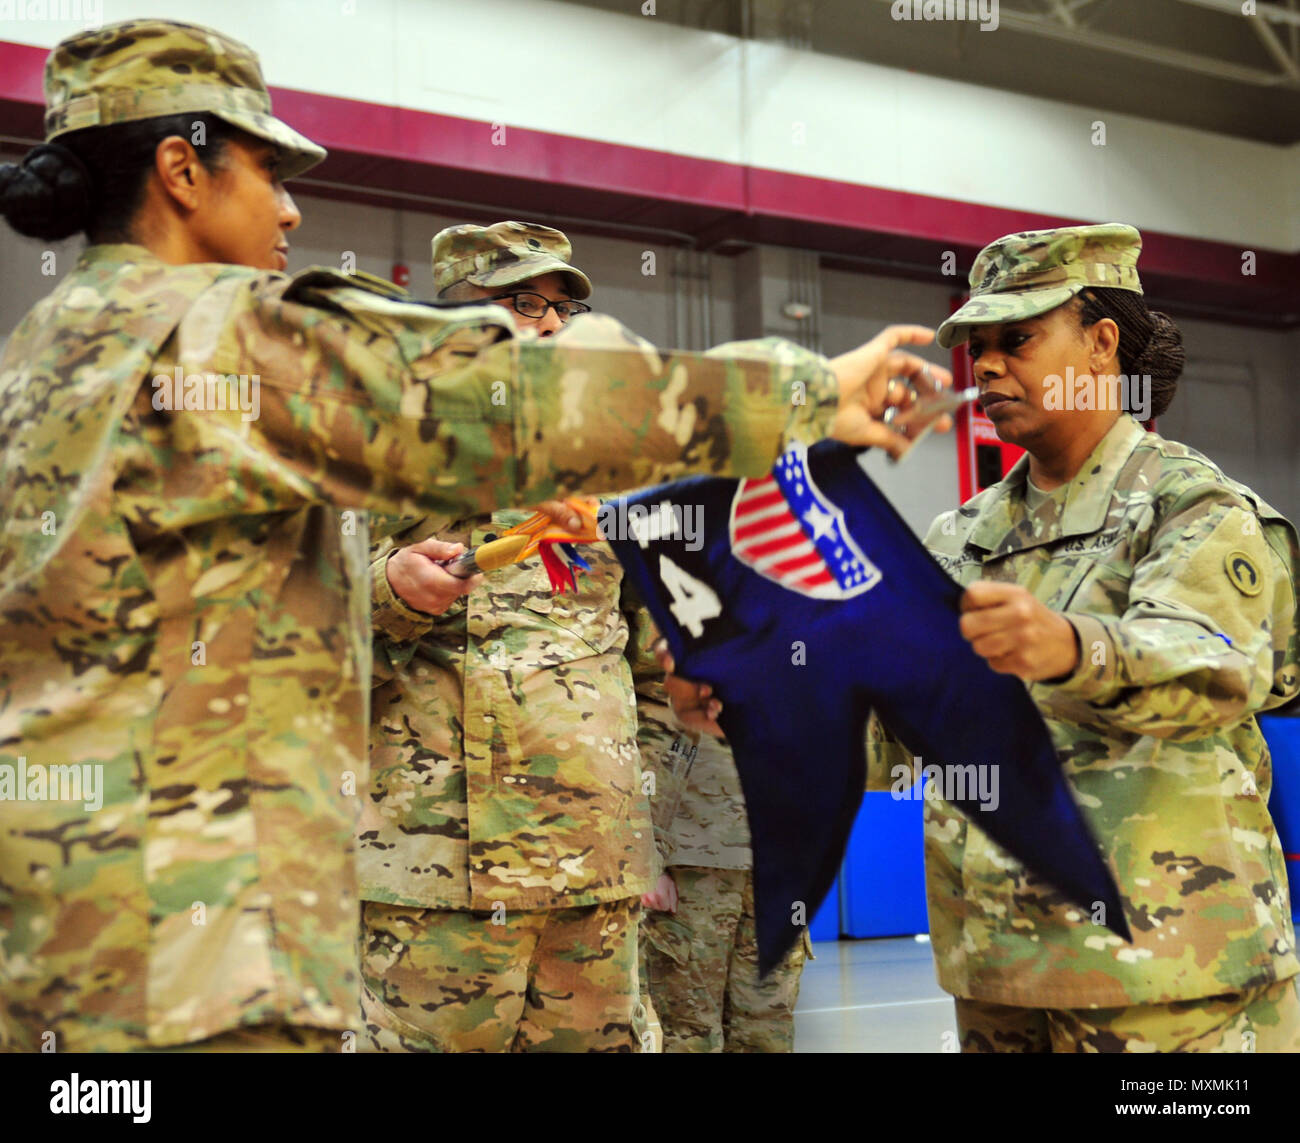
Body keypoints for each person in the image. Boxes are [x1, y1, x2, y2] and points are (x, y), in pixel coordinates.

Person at [0, 18, 943, 1052]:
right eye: (268, 170)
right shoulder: (215, 328)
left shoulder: (45, 352)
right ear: (182, 168)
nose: (290, 205)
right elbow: (488, 403)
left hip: (77, 904)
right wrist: (805, 391)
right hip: (206, 929)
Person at [880, 223, 1300, 1052]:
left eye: (1019, 337)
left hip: (1168, 976)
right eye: (977, 346)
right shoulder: (958, 538)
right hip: (999, 971)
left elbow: (1216, 667)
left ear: (1104, 342)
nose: (987, 364)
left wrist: (1076, 646)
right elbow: (902, 727)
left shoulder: (1195, 508)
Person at [359, 222, 658, 1052]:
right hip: (435, 878)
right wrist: (388, 592)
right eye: (526, 302)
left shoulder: (609, 470)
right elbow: (287, 633)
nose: (554, 325)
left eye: (565, 307)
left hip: (591, 877)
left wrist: (644, 831)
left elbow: (658, 664)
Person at [638, 683, 810, 1052]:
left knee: (768, 1027)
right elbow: (640, 738)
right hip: (694, 859)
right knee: (692, 1031)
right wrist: (646, 858)